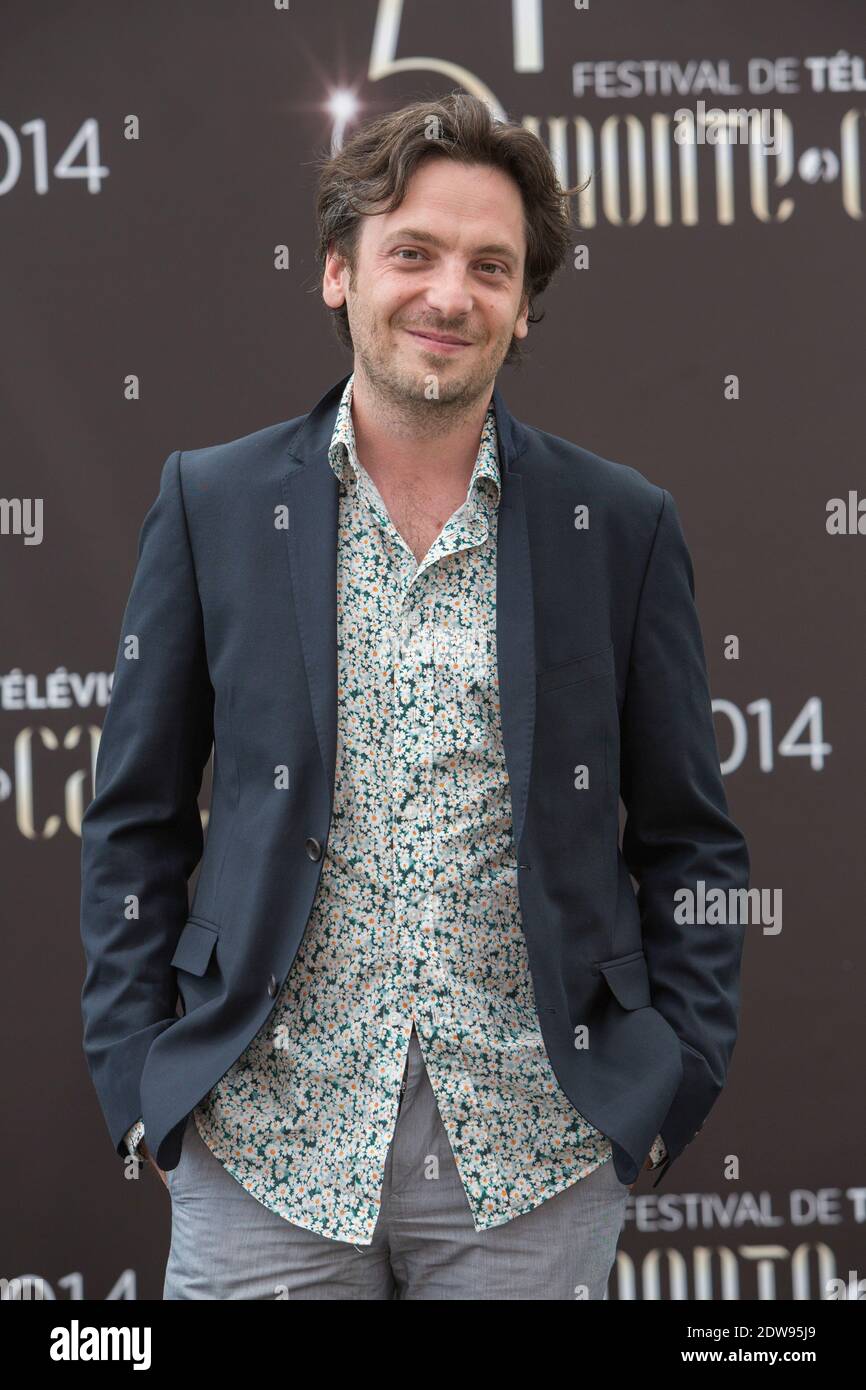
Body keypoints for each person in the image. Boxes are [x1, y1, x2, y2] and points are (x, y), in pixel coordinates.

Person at [80, 91, 749, 1300]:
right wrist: (139, 1086)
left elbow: (689, 838)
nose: (450, 294)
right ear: (337, 273)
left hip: (535, 1163)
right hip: (262, 1148)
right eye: (413, 253)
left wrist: (670, 1085)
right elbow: (132, 818)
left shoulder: (619, 526)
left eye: (490, 267)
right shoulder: (212, 504)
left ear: (523, 307)